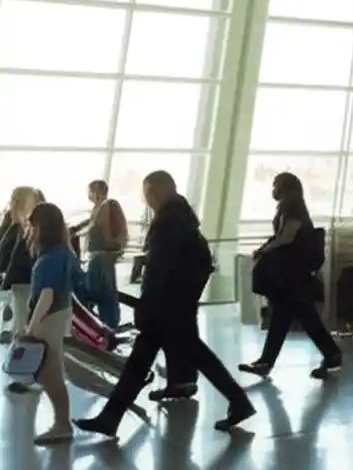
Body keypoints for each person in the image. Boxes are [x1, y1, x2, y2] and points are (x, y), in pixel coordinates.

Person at [75, 170, 255, 438]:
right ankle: (110, 418)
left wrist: (147, 305)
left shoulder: (167, 223)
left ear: (154, 193)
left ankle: (238, 401)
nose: (147, 201)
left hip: (165, 307)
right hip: (177, 303)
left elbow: (159, 270)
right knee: (157, 359)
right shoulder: (184, 219)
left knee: (178, 357)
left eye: (147, 195)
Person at [239, 172, 342, 379]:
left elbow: (286, 237)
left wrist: (264, 251)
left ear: (284, 187)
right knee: (286, 315)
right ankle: (268, 361)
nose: (273, 189)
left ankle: (331, 354)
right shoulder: (292, 206)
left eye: (275, 185)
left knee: (301, 315)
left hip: (291, 272)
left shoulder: (292, 206)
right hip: (293, 271)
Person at [24, 203, 79, 444]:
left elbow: (46, 295)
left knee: (50, 373)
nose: (32, 231)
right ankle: (62, 422)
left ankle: (62, 424)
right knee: (52, 370)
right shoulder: (64, 252)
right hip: (60, 315)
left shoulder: (49, 259)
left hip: (48, 318)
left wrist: (31, 328)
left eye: (34, 226)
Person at [75, 181, 128, 330]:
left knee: (103, 290)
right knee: (104, 289)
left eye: (90, 191)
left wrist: (112, 245)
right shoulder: (98, 208)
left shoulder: (107, 205)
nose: (88, 195)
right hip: (99, 255)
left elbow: (102, 228)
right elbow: (88, 225)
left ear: (96, 191)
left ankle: (109, 324)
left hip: (103, 255)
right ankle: (107, 323)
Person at [1, 187, 40, 348]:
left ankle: (18, 357)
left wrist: (6, 280)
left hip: (21, 282)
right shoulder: (30, 227)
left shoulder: (22, 228)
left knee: (19, 322)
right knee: (19, 320)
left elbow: (16, 258)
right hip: (26, 281)